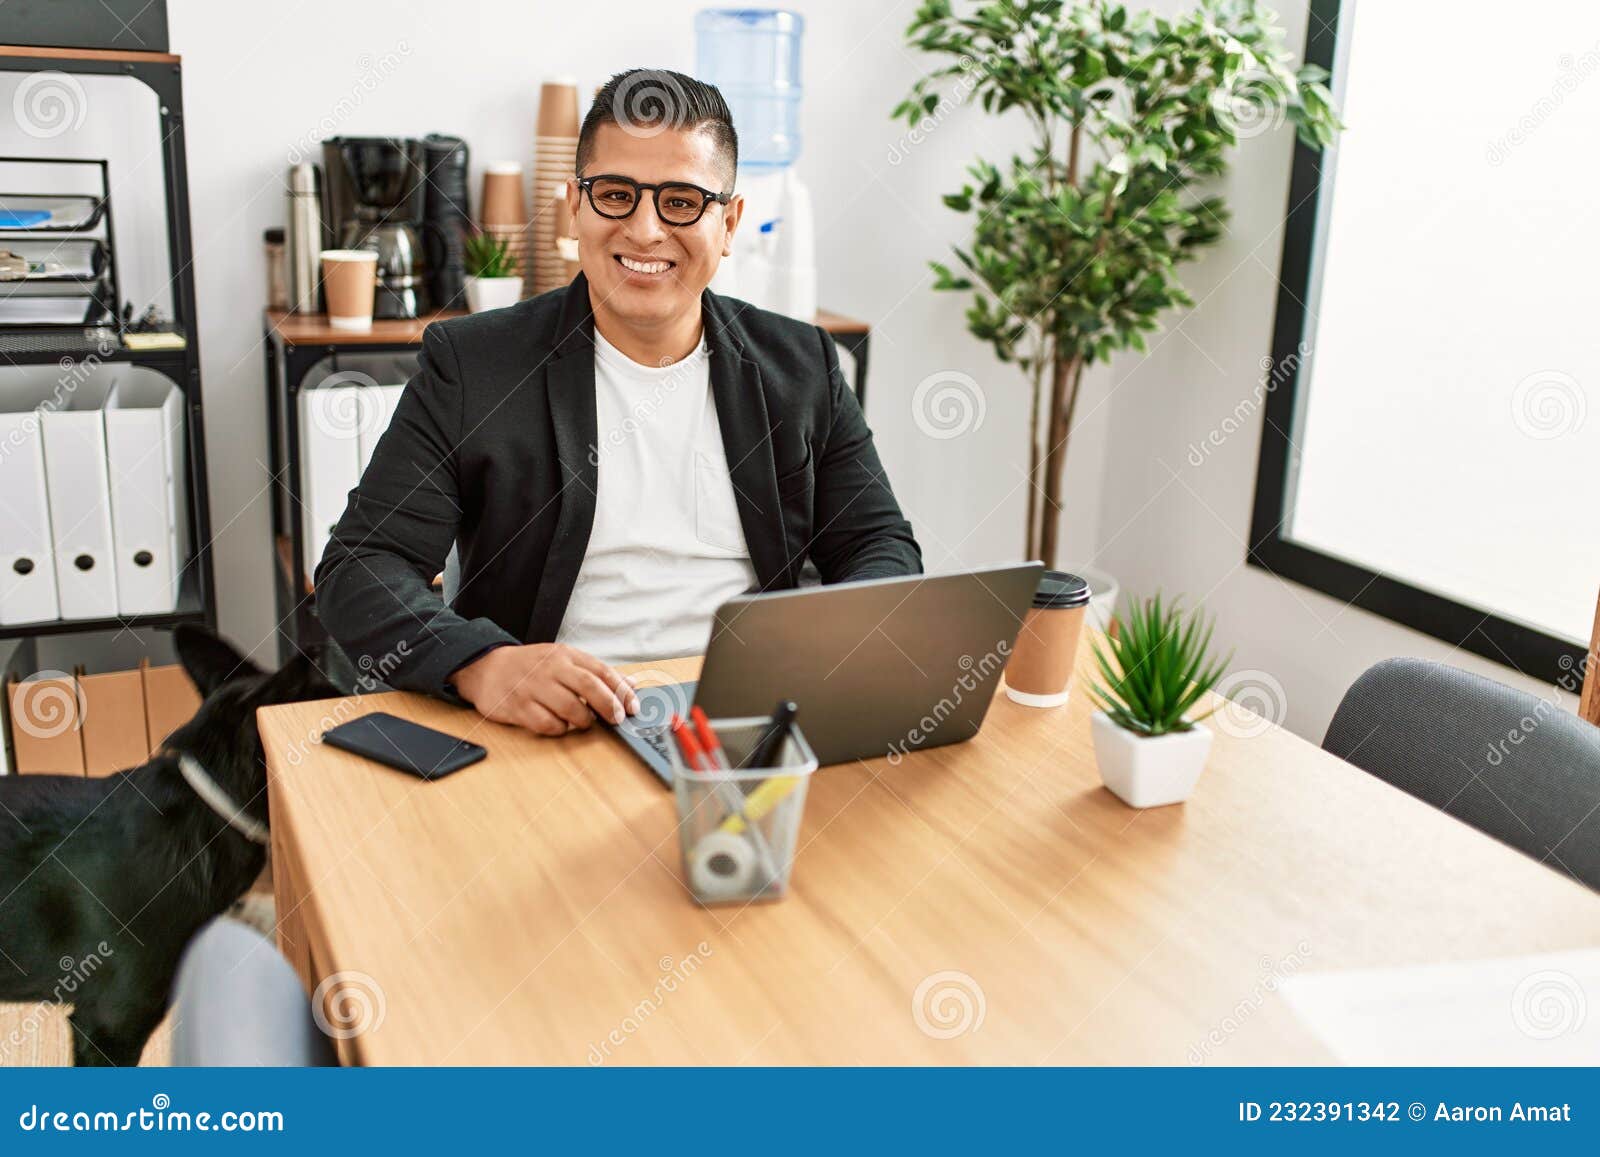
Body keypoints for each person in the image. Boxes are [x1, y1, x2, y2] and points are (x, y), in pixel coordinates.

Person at [315, 68, 921, 737]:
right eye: (615, 194)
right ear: (575, 206)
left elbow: (879, 543)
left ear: (730, 222)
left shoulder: (803, 366)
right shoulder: (476, 366)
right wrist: (484, 662)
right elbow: (360, 566)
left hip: (746, 722)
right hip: (555, 727)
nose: (644, 229)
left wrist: (823, 655)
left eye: (682, 202)